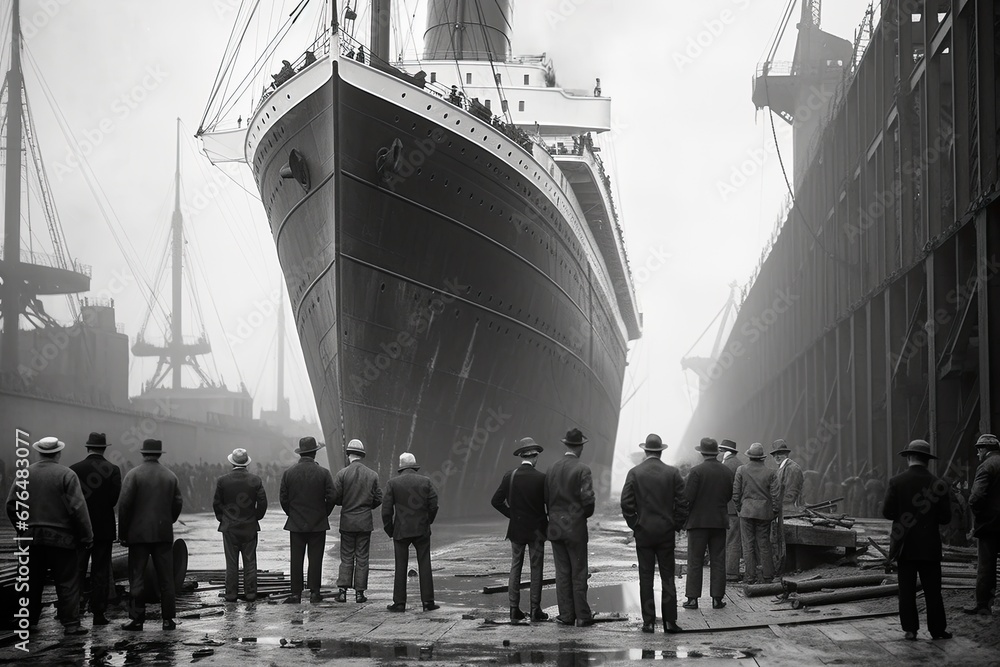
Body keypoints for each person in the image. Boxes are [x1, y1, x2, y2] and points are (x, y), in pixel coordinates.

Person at [5, 437, 93, 636]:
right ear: (58, 453)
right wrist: (87, 536)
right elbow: (78, 509)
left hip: (31, 538)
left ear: (39, 452)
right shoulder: (67, 475)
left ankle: (26, 621)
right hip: (62, 539)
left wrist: (22, 527)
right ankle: (71, 625)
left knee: (30, 581)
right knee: (67, 582)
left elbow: (11, 505)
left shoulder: (24, 474)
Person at [881, 439, 952, 640]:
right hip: (929, 546)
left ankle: (910, 630)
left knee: (906, 590)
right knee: (933, 591)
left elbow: (887, 512)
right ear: (927, 460)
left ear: (909, 458)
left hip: (905, 546)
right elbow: (946, 517)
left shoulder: (896, 482)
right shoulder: (938, 484)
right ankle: (937, 630)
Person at [621, 433, 687, 634]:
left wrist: (636, 525)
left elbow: (626, 504)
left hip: (645, 534)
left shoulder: (634, 473)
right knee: (668, 577)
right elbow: (683, 503)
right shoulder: (672, 473)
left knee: (646, 577)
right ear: (660, 451)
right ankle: (669, 622)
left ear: (645, 451)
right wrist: (675, 525)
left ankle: (648, 622)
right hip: (665, 534)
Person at [118, 439, 183, 631]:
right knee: (166, 578)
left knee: (136, 577)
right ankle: (168, 620)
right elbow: (178, 503)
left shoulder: (133, 475)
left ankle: (137, 620)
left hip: (138, 536)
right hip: (163, 534)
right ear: (159, 454)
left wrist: (123, 533)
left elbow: (124, 506)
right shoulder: (170, 476)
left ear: (143, 453)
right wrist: (168, 520)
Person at [491, 437, 549, 622]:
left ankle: (514, 609)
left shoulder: (510, 476)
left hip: (516, 530)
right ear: (535, 457)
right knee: (536, 568)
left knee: (515, 567)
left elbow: (495, 501)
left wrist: (512, 515)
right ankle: (535, 610)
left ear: (522, 456)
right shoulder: (542, 478)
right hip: (537, 531)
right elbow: (550, 504)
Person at [70, 432, 121, 626]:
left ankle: (74, 613)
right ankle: (98, 614)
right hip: (103, 529)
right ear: (105, 448)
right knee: (100, 572)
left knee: (77, 571)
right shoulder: (113, 469)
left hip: (79, 529)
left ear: (87, 448)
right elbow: (113, 500)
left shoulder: (73, 469)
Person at [546, 428, 596, 627]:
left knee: (562, 573)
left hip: (555, 528)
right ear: (580, 447)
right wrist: (583, 515)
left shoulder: (551, 469)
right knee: (579, 572)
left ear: (566, 445)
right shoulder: (583, 469)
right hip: (575, 529)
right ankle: (583, 616)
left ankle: (566, 615)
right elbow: (588, 499)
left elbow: (546, 498)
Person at [279, 436, 336, 604]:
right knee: (316, 558)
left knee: (296, 559)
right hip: (318, 523)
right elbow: (332, 496)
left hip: (296, 524)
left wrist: (292, 513)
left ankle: (295, 594)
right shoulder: (324, 473)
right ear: (314, 454)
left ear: (300, 454)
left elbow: (283, 498)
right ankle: (314, 592)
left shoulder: (289, 473)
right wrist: (324, 513)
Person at [383, 452, 439, 612]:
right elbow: (434, 505)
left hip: (401, 530)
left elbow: (386, 510)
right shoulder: (426, 481)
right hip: (421, 529)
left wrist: (390, 529)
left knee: (400, 565)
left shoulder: (392, 483)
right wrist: (428, 521)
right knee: (425, 563)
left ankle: (399, 603)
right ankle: (428, 602)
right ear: (414, 467)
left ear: (401, 467)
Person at [683, 438, 734, 610]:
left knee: (695, 561)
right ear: (716, 453)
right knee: (718, 560)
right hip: (719, 521)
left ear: (702, 453)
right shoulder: (727, 472)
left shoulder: (696, 472)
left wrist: (684, 520)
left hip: (698, 523)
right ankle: (717, 599)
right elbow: (728, 496)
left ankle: (692, 599)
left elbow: (687, 498)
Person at [213, 448, 267, 603]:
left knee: (231, 562)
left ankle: (231, 594)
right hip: (249, 527)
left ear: (232, 462)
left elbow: (217, 503)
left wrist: (223, 519)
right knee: (250, 562)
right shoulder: (255, 480)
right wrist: (256, 517)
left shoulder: (223, 480)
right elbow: (262, 502)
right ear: (247, 463)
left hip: (229, 527)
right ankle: (250, 594)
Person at [331, 439, 382, 604]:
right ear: (362, 455)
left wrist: (346, 503)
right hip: (364, 522)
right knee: (362, 557)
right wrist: (367, 506)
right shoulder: (372, 474)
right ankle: (359, 593)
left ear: (348, 455)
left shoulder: (342, 474)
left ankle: (342, 592)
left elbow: (336, 498)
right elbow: (379, 498)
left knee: (346, 556)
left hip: (347, 521)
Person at [732, 442, 779, 585]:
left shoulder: (741, 470)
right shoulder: (771, 473)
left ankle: (750, 577)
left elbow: (736, 493)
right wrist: (774, 511)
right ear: (762, 458)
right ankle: (768, 576)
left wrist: (740, 508)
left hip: (746, 512)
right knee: (764, 544)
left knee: (748, 545)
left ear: (749, 456)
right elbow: (775, 495)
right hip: (764, 513)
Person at [966, 433, 1000, 615]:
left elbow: (976, 498)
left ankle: (983, 605)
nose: (978, 453)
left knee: (986, 567)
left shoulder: (986, 466)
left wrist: (980, 516)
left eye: (979, 449)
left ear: (983, 449)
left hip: (990, 526)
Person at [769, 439, 804, 575]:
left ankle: (793, 567)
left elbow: (791, 495)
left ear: (786, 454)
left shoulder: (792, 468)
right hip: (783, 511)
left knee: (789, 541)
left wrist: (776, 508)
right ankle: (788, 567)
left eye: (780, 453)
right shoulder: (783, 468)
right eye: (775, 454)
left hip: (788, 511)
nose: (777, 457)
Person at [719, 439, 743, 582]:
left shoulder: (726, 465)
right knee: (732, 540)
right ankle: (730, 571)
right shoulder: (739, 463)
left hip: (728, 509)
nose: (719, 453)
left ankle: (730, 573)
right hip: (733, 509)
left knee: (730, 541)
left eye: (721, 450)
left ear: (725, 452)